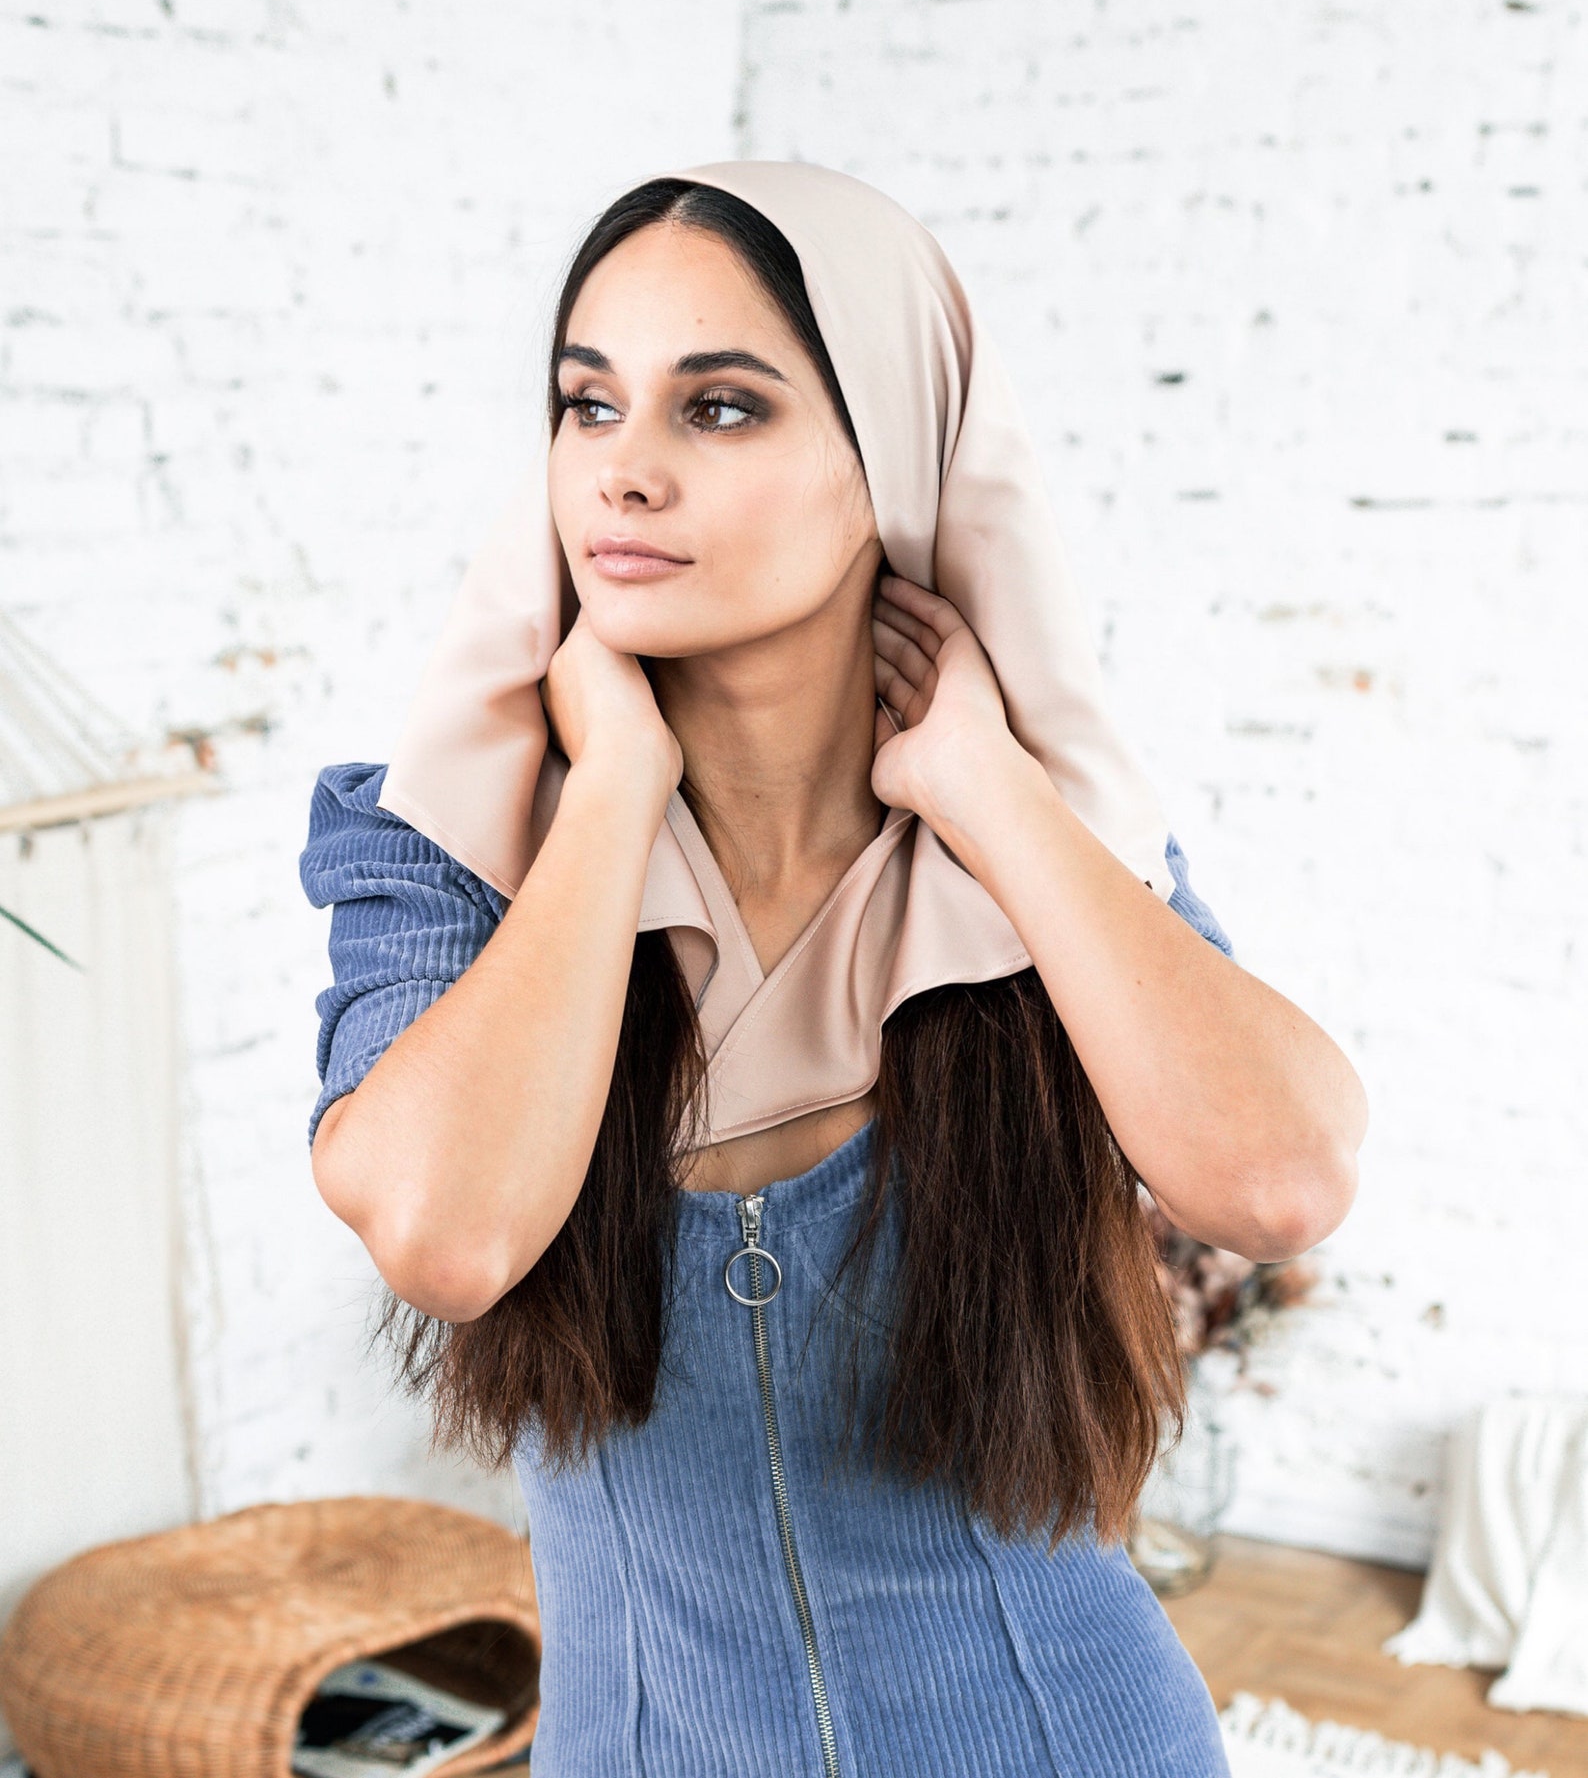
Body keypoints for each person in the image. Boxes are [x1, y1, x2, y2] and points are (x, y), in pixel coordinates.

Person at [299, 161, 1368, 1777]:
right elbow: (449, 1232)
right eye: (588, 408)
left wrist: (989, 790)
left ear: (894, 457)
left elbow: (1282, 1178)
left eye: (719, 408)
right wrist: (609, 800)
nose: (625, 475)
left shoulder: (1035, 850)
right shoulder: (452, 848)